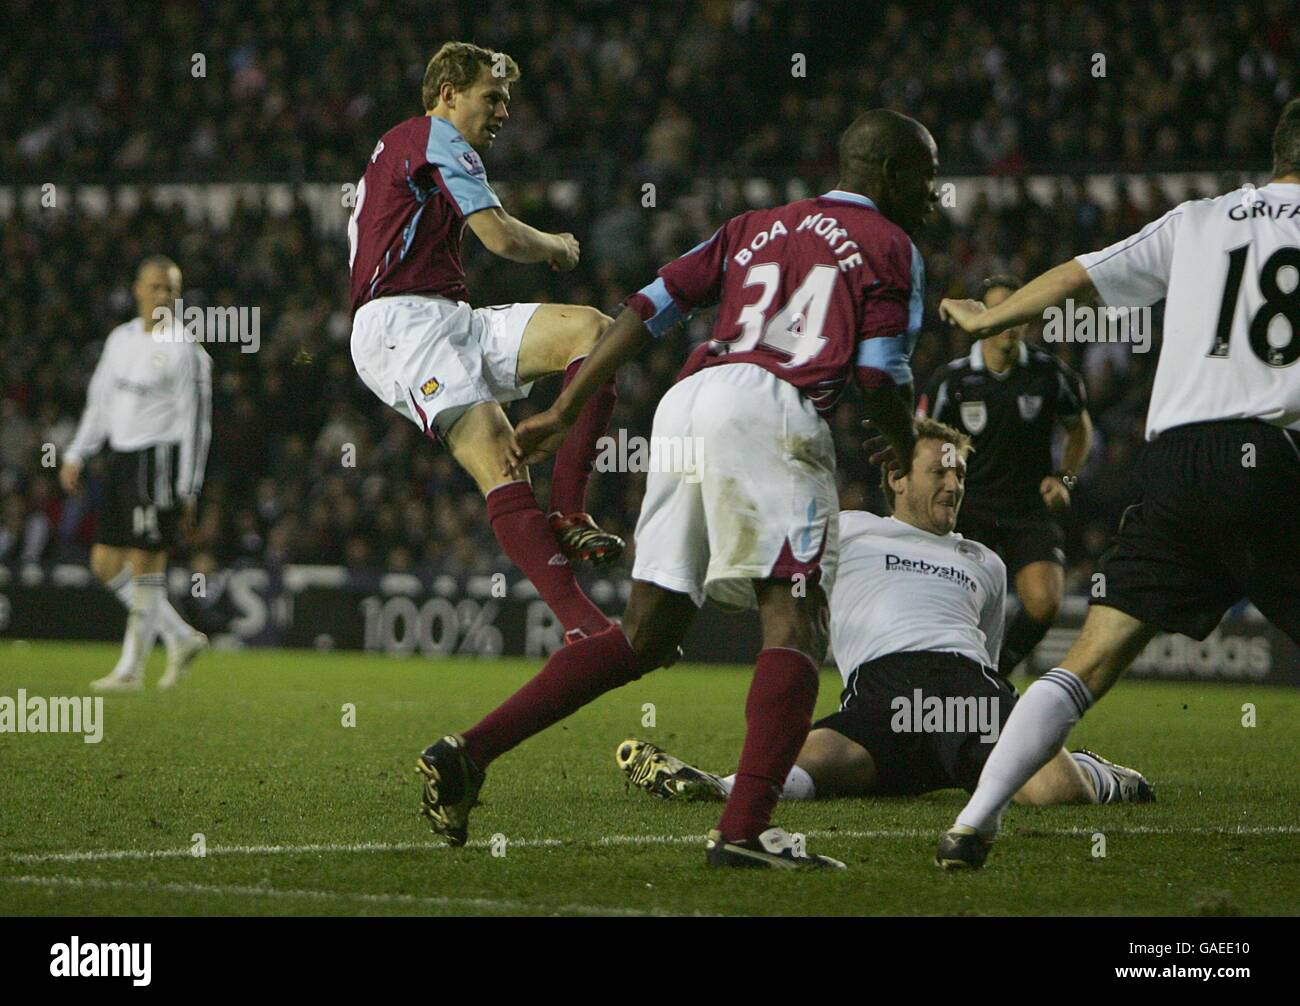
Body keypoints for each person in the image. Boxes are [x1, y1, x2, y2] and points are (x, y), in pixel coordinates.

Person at [413, 109, 938, 870]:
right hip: (774, 411)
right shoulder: (892, 246)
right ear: (888, 174)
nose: (933, 193)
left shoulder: (754, 225)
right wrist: (908, 434)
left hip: (690, 403)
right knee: (793, 624)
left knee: (645, 636)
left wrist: (565, 407)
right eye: (924, 174)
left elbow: (645, 308)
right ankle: (746, 830)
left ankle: (470, 752)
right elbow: (878, 372)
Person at [933, 96, 1300, 869]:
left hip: (1173, 463)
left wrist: (988, 321)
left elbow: (1077, 276)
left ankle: (974, 820)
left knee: (1087, 660)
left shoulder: (1200, 218)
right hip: (1268, 461)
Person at [616, 420, 1152, 812]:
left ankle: (1101, 775)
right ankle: (715, 786)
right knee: (802, 758)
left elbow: (985, 659)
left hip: (961, 687)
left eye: (960, 471)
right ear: (897, 479)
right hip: (878, 694)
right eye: (940, 470)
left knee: (1056, 794)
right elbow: (763, 560)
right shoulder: (847, 530)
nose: (954, 483)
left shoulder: (984, 562)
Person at [346, 41, 621, 646]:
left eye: (506, 102)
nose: (503, 113)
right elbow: (498, 236)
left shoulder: (407, 147)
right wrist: (555, 245)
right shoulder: (432, 135)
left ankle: (569, 512)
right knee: (499, 457)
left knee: (596, 335)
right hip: (399, 326)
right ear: (449, 95)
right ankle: (584, 628)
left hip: (449, 315)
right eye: (492, 98)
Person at [919, 276, 1093, 676]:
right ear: (981, 318)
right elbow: (922, 439)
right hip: (969, 512)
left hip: (1029, 510)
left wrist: (1065, 478)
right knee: (961, 609)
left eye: (1018, 309)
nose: (1011, 320)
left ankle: (996, 672)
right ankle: (951, 680)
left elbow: (1080, 428)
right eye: (1000, 310)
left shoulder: (1049, 374)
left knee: (1045, 602)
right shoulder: (953, 380)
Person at [59, 256, 211, 690]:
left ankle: (131, 669)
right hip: (119, 460)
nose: (163, 296)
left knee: (146, 566)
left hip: (157, 462)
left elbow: (196, 425)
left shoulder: (186, 350)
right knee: (104, 564)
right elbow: (99, 404)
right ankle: (180, 636)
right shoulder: (119, 339)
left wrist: (189, 488)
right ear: (138, 290)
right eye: (156, 287)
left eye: (172, 290)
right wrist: (76, 453)